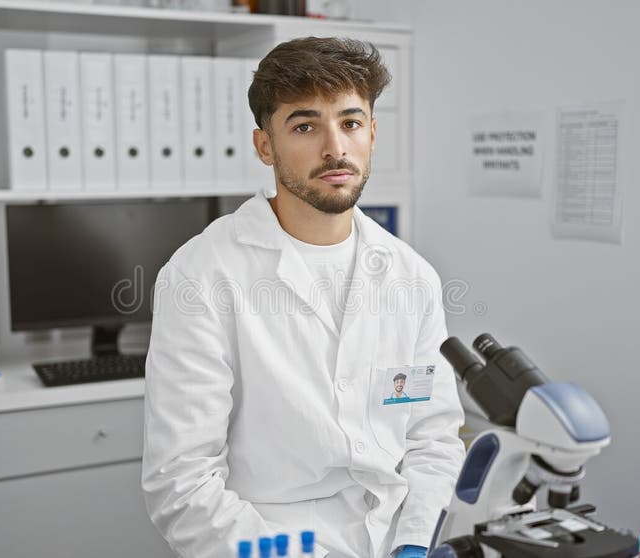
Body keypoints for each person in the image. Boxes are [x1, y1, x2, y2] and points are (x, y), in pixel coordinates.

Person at [141, 37, 466, 558]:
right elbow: (181, 483)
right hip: (265, 543)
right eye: (305, 126)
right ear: (265, 145)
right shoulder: (200, 274)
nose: (335, 147)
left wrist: (414, 541)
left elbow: (432, 439)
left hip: (394, 540)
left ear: (373, 134)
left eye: (351, 122)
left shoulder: (413, 276)